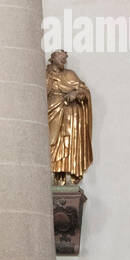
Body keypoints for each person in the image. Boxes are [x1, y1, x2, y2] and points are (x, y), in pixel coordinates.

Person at [46, 49, 93, 183]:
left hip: (68, 116)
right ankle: (50, 173)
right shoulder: (44, 74)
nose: (64, 62)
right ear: (53, 59)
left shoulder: (70, 74)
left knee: (67, 142)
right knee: (50, 143)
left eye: (65, 60)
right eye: (62, 59)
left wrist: (76, 93)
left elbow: (83, 90)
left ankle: (66, 173)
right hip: (51, 112)